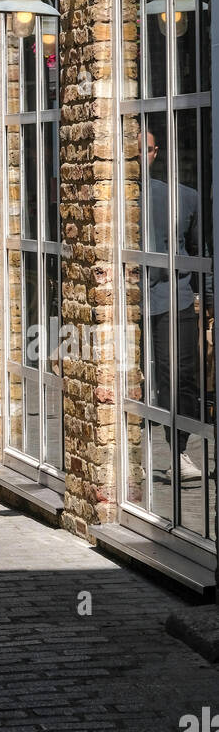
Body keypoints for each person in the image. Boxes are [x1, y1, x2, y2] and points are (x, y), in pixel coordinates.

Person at [143, 128, 205, 481]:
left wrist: (206, 301)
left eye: (147, 149)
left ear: (157, 153)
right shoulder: (117, 198)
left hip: (174, 300)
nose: (141, 156)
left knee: (179, 377)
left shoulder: (184, 198)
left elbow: (198, 252)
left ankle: (178, 451)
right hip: (130, 304)